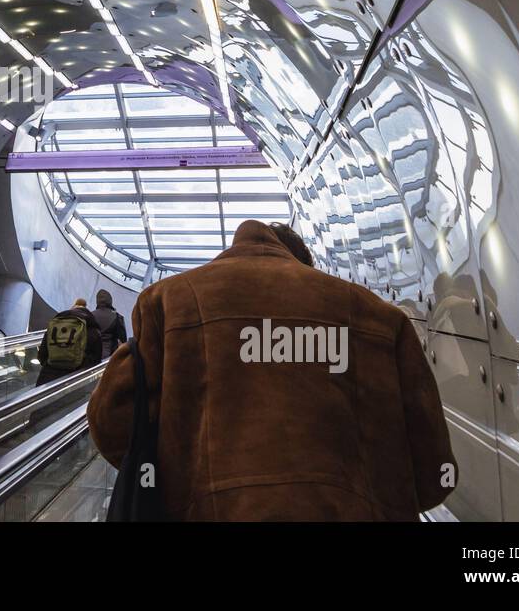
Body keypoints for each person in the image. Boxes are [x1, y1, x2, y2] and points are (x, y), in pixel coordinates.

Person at [87, 220, 456, 521]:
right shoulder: (379, 317)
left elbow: (110, 420)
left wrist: (178, 480)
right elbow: (432, 470)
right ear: (303, 264)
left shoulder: (168, 302)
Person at [36, 297, 102, 385]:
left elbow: (42, 355)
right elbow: (96, 360)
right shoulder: (93, 328)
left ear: (73, 308)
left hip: (47, 379)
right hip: (75, 382)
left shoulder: (56, 323)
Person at [90, 289, 127, 361]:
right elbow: (123, 339)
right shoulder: (117, 316)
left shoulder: (90, 315)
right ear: (110, 301)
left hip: (91, 355)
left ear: (97, 301)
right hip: (109, 357)